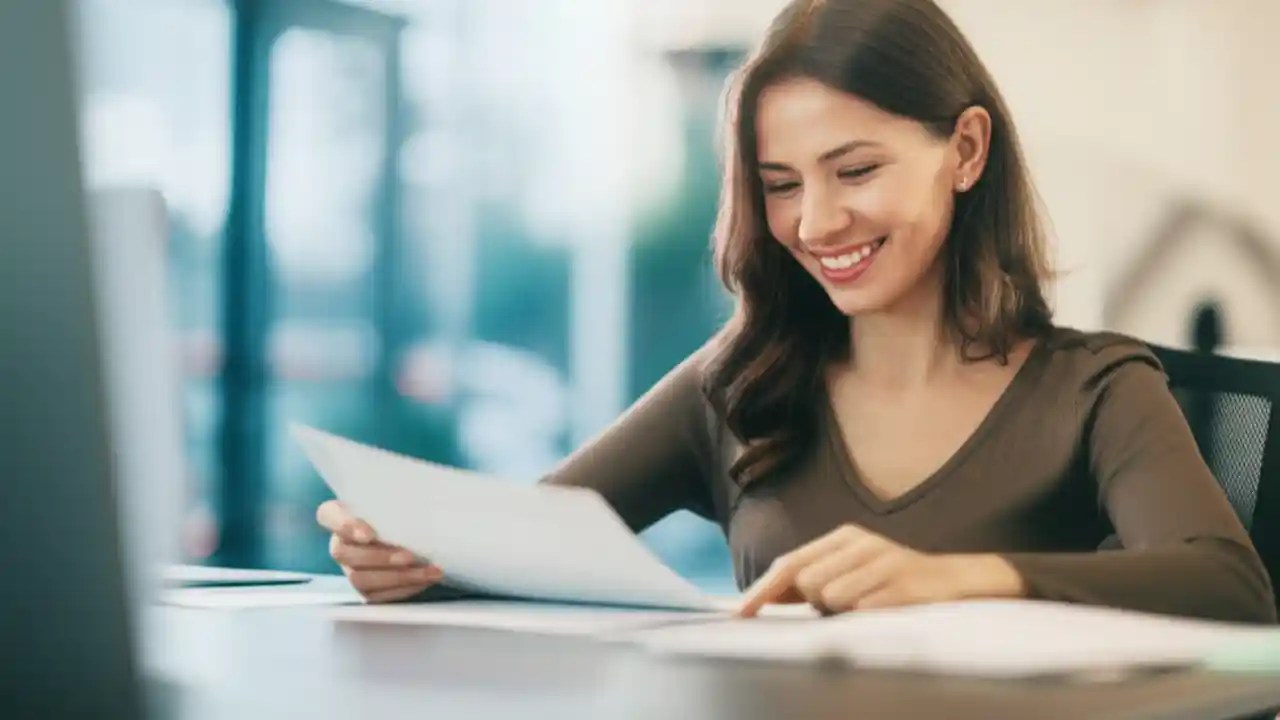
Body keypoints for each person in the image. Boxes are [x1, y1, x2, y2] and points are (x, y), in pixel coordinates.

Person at [317, 0, 1277, 622]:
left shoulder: (1095, 388)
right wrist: (415, 559)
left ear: (967, 151)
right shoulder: (736, 384)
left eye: (855, 170)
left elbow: (1230, 583)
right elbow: (529, 542)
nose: (815, 222)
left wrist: (963, 576)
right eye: (780, 185)